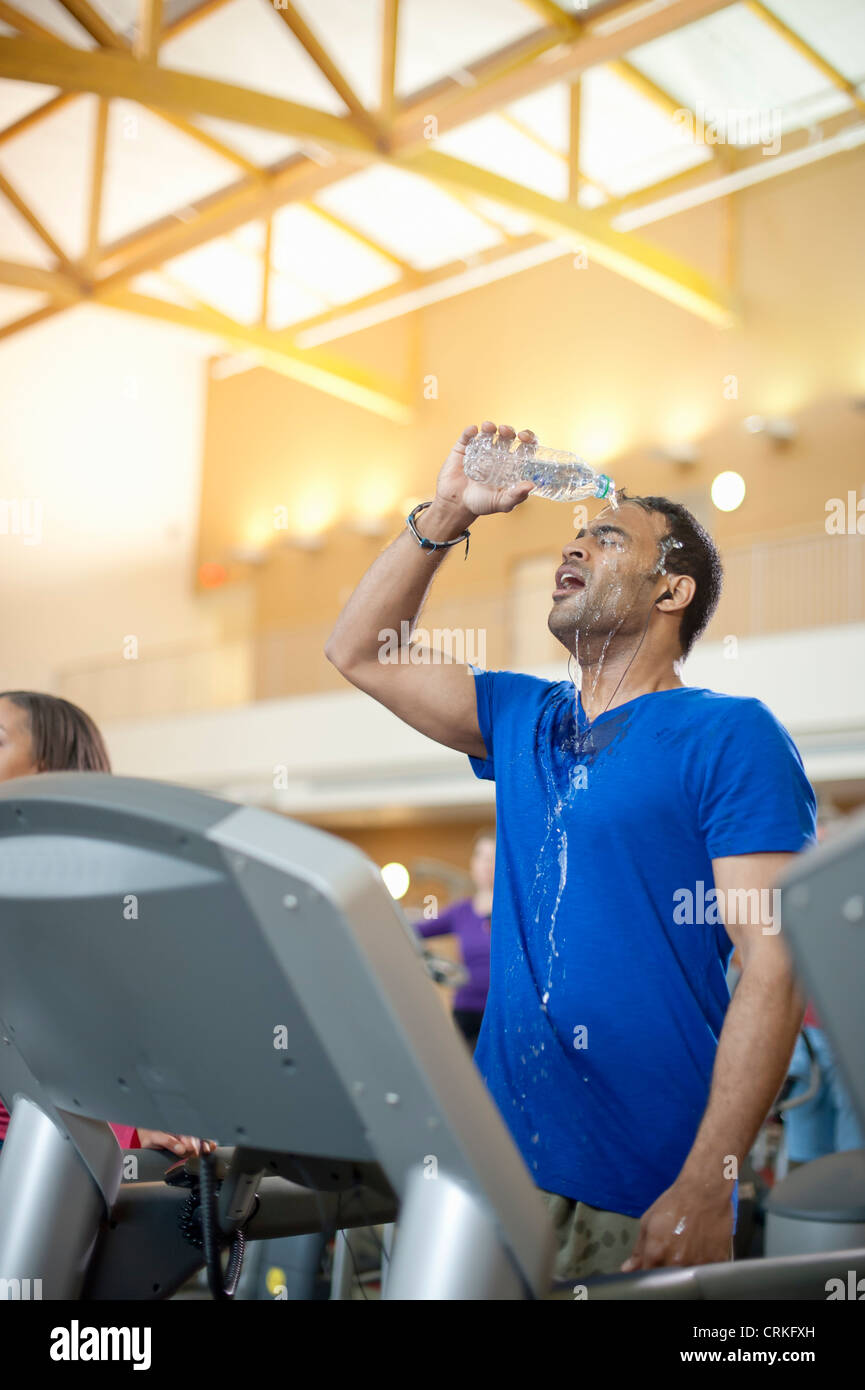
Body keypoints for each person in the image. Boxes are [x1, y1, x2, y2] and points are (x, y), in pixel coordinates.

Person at [325, 419, 816, 1282]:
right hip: (493, 1169)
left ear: (671, 593)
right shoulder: (522, 716)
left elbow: (772, 968)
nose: (574, 546)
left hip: (641, 1179)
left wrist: (709, 1182)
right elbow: (358, 650)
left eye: (607, 536)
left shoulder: (728, 734)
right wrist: (448, 509)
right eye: (573, 534)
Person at [0, 691, 211, 1160]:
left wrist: (135, 1127)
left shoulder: (95, 894)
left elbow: (123, 1035)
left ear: (46, 767)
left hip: (38, 1157)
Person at [416, 828, 495, 1050]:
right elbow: (414, 930)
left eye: (492, 858)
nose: (486, 864)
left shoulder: (514, 913)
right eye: (481, 857)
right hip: (467, 1011)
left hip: (503, 1011)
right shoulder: (461, 911)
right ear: (473, 863)